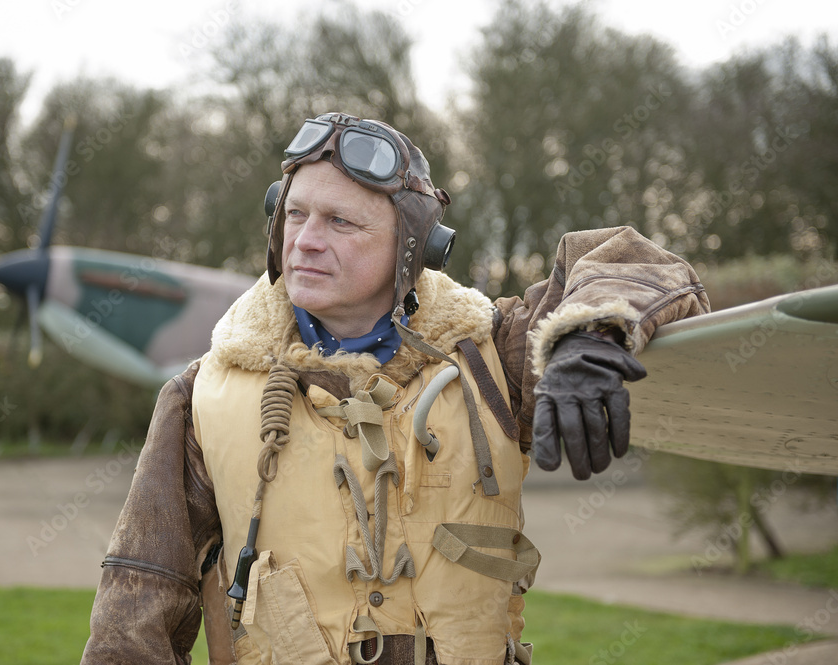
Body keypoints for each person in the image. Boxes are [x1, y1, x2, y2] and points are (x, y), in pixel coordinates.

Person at [80, 112, 710, 665]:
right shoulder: (205, 395)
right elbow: (139, 602)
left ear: (414, 247)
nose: (304, 240)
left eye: (340, 222)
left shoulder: (495, 353)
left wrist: (585, 335)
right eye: (294, 213)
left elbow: (635, 260)